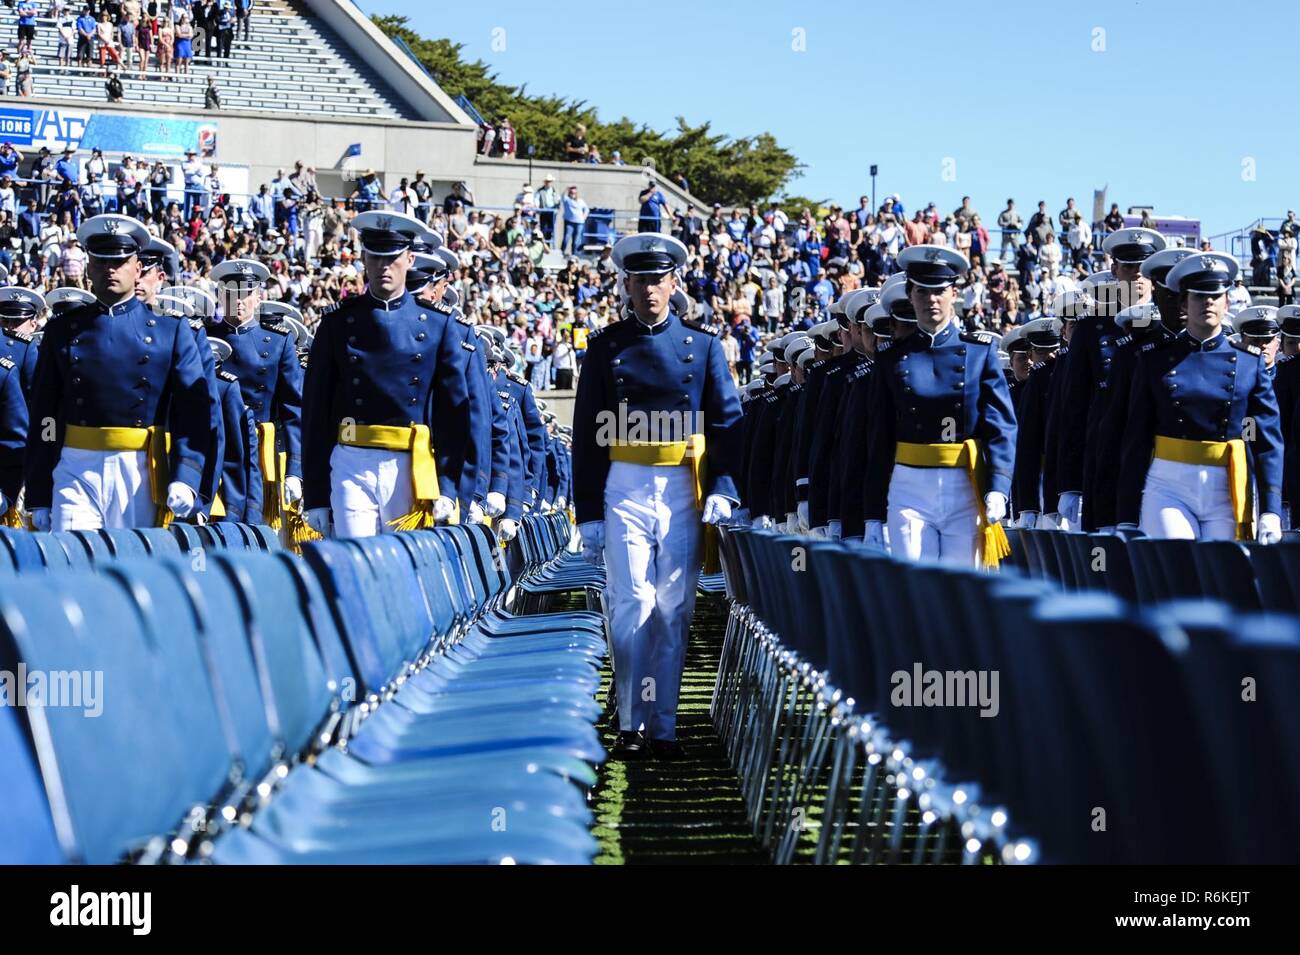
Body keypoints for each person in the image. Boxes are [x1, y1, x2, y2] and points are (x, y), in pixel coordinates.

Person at [572, 232, 743, 760]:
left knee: (674, 609)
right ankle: (630, 721)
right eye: (639, 278)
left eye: (658, 278)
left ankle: (663, 726)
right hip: (624, 481)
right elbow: (586, 435)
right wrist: (590, 513)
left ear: (674, 283)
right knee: (632, 604)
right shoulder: (605, 348)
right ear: (625, 282)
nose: (649, 288)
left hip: (681, 487)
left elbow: (727, 424)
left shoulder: (703, 346)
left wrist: (722, 487)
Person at [24, 214, 211, 532]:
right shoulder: (62, 331)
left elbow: (195, 414)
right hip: (75, 464)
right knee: (76, 564)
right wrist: (39, 492)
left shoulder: (171, 331)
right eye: (100, 261)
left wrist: (187, 476)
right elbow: (46, 418)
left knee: (129, 568)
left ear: (138, 268)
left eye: (120, 261)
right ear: (88, 269)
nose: (110, 269)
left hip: (139, 468)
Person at [300, 212, 483, 538]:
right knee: (356, 564)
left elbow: (453, 414)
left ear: (409, 259)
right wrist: (315, 493)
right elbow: (315, 414)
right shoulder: (338, 324)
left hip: (409, 465)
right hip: (351, 460)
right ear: (364, 259)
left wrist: (448, 485)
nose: (384, 267)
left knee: (404, 570)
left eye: (393, 257)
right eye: (375, 257)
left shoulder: (438, 326)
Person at [863, 246, 1017, 565]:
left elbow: (1001, 425)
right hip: (909, 487)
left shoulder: (979, 355)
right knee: (916, 590)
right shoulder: (891, 360)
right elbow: (878, 438)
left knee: (961, 591)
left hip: (964, 485)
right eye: (922, 291)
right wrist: (872, 513)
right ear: (910, 294)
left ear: (954, 294)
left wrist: (999, 486)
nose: (931, 299)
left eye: (939, 291)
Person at [1117, 251, 1282, 544]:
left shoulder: (1248, 364)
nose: (1208, 302)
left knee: (1220, 576)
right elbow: (1136, 438)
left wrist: (1271, 509)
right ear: (1183, 302)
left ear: (1227, 302)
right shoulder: (1155, 362)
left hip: (1227, 486)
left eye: (1216, 295)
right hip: (1168, 484)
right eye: (1198, 296)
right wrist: (1126, 514)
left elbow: (1264, 439)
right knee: (1177, 565)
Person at [206, 258, 305, 528]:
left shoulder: (277, 341)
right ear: (219, 296)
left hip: (263, 449)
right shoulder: (202, 336)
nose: (238, 301)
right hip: (215, 443)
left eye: (245, 294)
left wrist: (296, 469)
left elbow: (293, 410)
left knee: (262, 529)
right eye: (230, 294)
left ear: (257, 298)